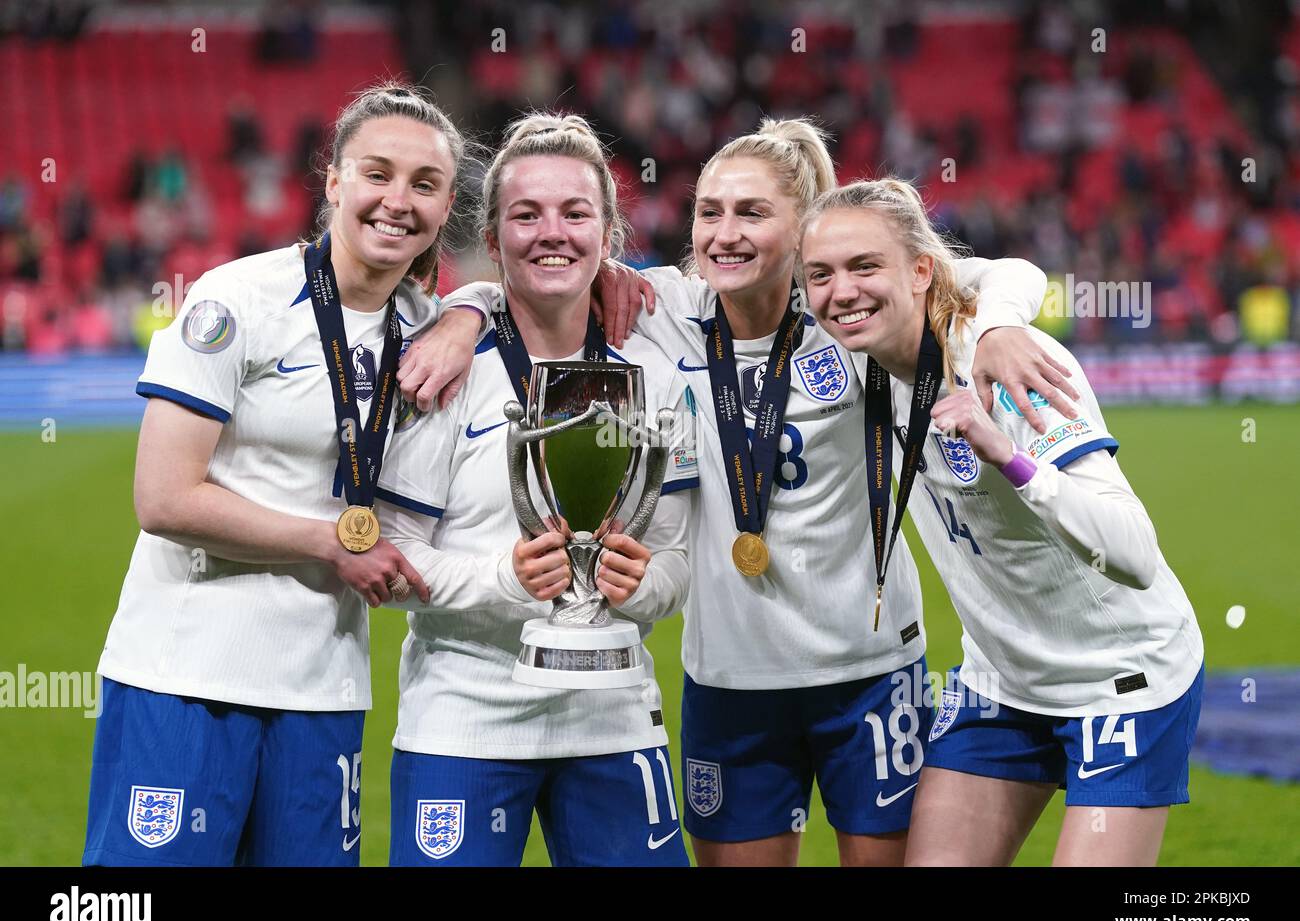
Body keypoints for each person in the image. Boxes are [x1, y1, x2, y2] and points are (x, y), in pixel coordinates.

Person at [420, 119, 1073, 866]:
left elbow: (1005, 272)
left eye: (753, 214)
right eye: (709, 213)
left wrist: (996, 328)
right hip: (729, 679)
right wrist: (465, 309)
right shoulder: (660, 314)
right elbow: (535, 269)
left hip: (867, 671)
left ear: (804, 231)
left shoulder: (852, 312)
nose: (725, 235)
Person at [82, 82, 469, 866]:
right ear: (333, 181)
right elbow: (162, 498)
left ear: (447, 205)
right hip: (184, 673)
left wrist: (474, 311)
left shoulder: (432, 331)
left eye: (424, 185)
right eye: (377, 174)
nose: (398, 201)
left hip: (324, 688)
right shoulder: (239, 298)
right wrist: (328, 543)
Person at [800, 178, 1204, 866]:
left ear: (923, 270)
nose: (842, 292)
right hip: (1002, 683)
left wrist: (1010, 457)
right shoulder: (852, 355)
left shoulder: (1005, 371)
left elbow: (1134, 554)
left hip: (1123, 679)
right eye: (821, 275)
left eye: (865, 266)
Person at [374, 113, 699, 867]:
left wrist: (643, 586)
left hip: (614, 718)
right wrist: (503, 579)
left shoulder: (654, 370)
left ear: (608, 233)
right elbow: (389, 557)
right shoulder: (442, 370)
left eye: (575, 213)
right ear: (492, 242)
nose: (551, 232)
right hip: (463, 721)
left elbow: (675, 555)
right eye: (526, 215)